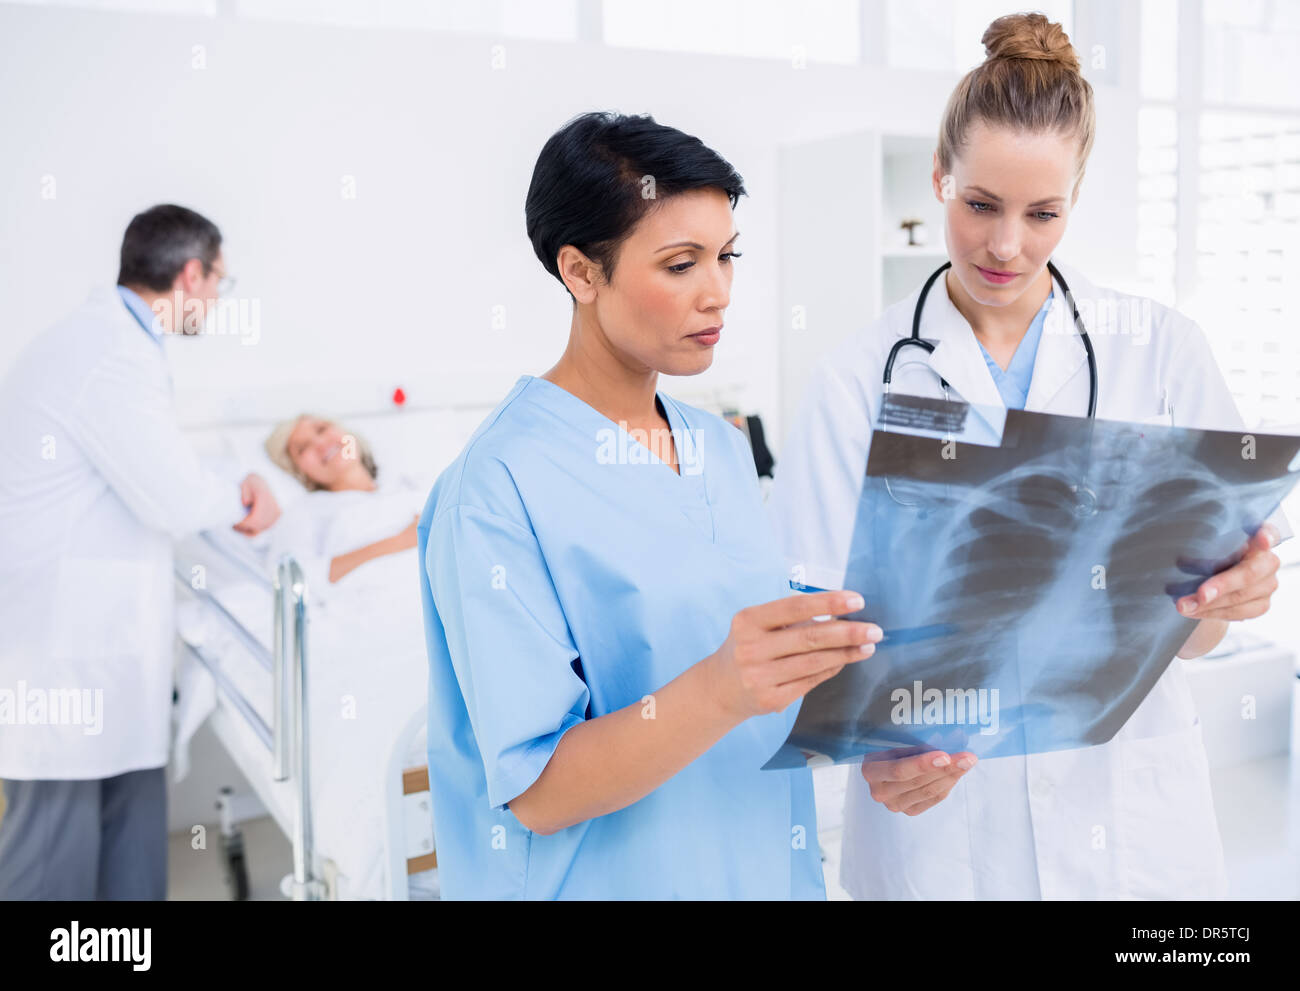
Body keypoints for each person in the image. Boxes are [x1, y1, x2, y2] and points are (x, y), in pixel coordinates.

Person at [771, 13, 1285, 900]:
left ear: (1073, 201)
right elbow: (815, 634)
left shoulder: (1159, 350)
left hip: (1133, 822)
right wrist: (881, 756)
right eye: (980, 205)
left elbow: (1203, 630)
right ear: (939, 178)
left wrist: (1235, 596)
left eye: (1042, 213)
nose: (1007, 245)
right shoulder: (856, 379)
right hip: (943, 832)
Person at [416, 111, 976, 900]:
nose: (717, 292)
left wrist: (879, 742)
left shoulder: (718, 445)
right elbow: (538, 790)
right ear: (580, 273)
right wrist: (720, 686)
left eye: (725, 256)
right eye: (681, 264)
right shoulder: (496, 486)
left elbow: (759, 692)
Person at [0, 204, 281, 900]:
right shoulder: (107, 355)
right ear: (190, 275)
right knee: (50, 872)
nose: (216, 299)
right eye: (219, 281)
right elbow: (176, 498)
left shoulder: (113, 347)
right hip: (62, 661)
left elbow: (154, 472)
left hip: (100, 654)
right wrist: (246, 494)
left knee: (126, 864)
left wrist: (225, 483)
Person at [264, 413, 420, 589]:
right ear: (297, 471)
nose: (321, 444)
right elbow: (291, 579)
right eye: (303, 448)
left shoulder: (410, 485)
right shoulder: (305, 512)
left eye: (321, 429)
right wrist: (401, 541)